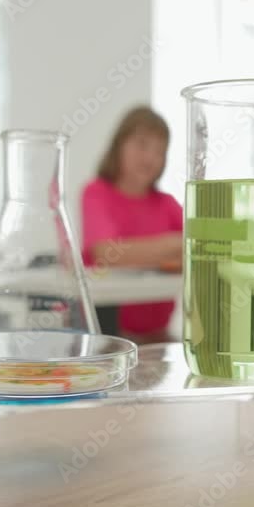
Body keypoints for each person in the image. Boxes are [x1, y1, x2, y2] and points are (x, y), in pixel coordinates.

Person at [81, 106, 183, 343]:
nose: (150, 158)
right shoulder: (96, 193)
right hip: (106, 338)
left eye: (160, 150)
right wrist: (174, 245)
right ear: (119, 145)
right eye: (142, 144)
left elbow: (200, 246)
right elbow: (106, 253)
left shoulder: (166, 203)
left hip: (159, 337)